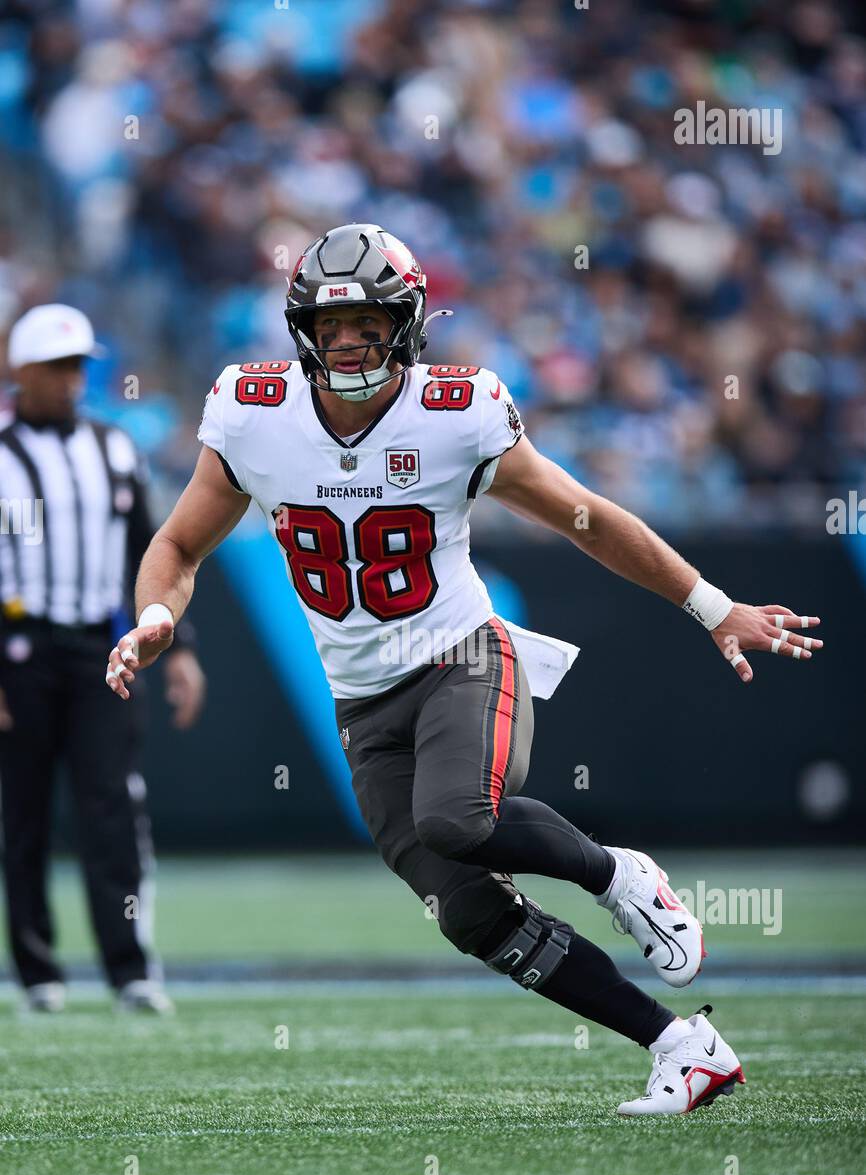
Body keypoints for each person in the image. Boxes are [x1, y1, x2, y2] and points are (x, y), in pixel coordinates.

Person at [105, 225, 823, 1111]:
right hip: (359, 702)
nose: (350, 345)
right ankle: (684, 1046)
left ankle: (617, 875)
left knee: (454, 815)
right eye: (332, 329)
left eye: (369, 326)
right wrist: (154, 617)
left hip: (460, 657)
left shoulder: (458, 410)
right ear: (302, 334)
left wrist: (713, 606)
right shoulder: (253, 412)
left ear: (406, 327)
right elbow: (177, 543)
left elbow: (584, 516)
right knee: (471, 913)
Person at [0, 303, 206, 1013]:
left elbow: (151, 555)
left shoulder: (115, 447)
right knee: (21, 814)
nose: (72, 380)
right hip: (18, 651)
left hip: (99, 650)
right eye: (57, 367)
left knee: (113, 806)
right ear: (20, 370)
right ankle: (37, 974)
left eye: (79, 366)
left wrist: (180, 649)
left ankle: (131, 969)